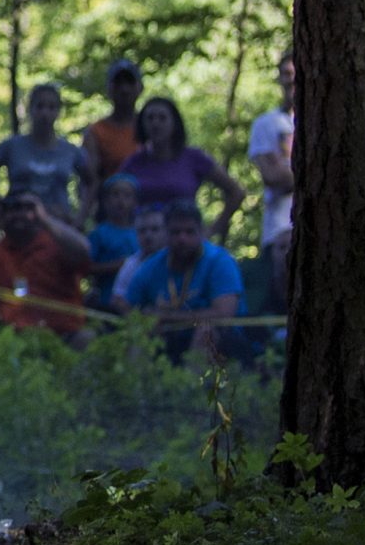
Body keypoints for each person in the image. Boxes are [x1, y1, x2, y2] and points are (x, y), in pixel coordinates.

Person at [0, 188, 94, 342]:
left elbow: (83, 252)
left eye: (27, 208)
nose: (19, 214)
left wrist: (45, 219)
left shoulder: (56, 246)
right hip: (11, 339)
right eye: (12, 209)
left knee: (86, 339)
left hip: (62, 336)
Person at [119, 200, 246, 362]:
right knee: (141, 331)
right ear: (166, 233)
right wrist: (146, 319)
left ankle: (192, 379)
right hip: (168, 339)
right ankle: (134, 377)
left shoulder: (219, 261)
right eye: (175, 232)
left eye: (189, 232)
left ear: (201, 232)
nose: (182, 239)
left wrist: (165, 317)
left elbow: (223, 313)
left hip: (223, 342)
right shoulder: (152, 265)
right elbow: (128, 306)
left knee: (206, 331)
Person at [120, 96, 245, 237]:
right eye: (150, 118)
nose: (155, 123)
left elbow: (236, 192)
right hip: (143, 241)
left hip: (184, 241)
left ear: (174, 123)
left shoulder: (194, 158)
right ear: (142, 124)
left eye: (162, 118)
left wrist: (212, 229)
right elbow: (114, 200)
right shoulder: (133, 163)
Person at [0, 82, 90, 220]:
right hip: (19, 222)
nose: (45, 113)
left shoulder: (70, 151)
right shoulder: (11, 146)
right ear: (30, 109)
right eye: (39, 106)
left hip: (58, 225)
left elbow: (91, 181)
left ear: (58, 112)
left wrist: (80, 218)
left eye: (51, 107)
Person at [248, 54, 297, 315]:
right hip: (278, 230)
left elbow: (284, 175)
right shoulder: (266, 124)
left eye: (296, 72)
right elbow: (274, 177)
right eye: (286, 73)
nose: (292, 80)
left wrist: (287, 168)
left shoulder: (328, 120)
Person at [80, 58, 144, 192]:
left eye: (130, 82)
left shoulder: (151, 127)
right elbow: (89, 181)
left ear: (139, 88)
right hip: (110, 200)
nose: (124, 89)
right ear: (109, 89)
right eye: (118, 83)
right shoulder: (96, 132)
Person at [85, 175, 142, 305]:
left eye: (127, 195)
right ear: (105, 200)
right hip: (106, 300)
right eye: (115, 194)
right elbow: (87, 268)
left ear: (135, 202)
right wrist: (118, 266)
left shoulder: (140, 232)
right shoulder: (98, 233)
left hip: (135, 302)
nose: (121, 200)